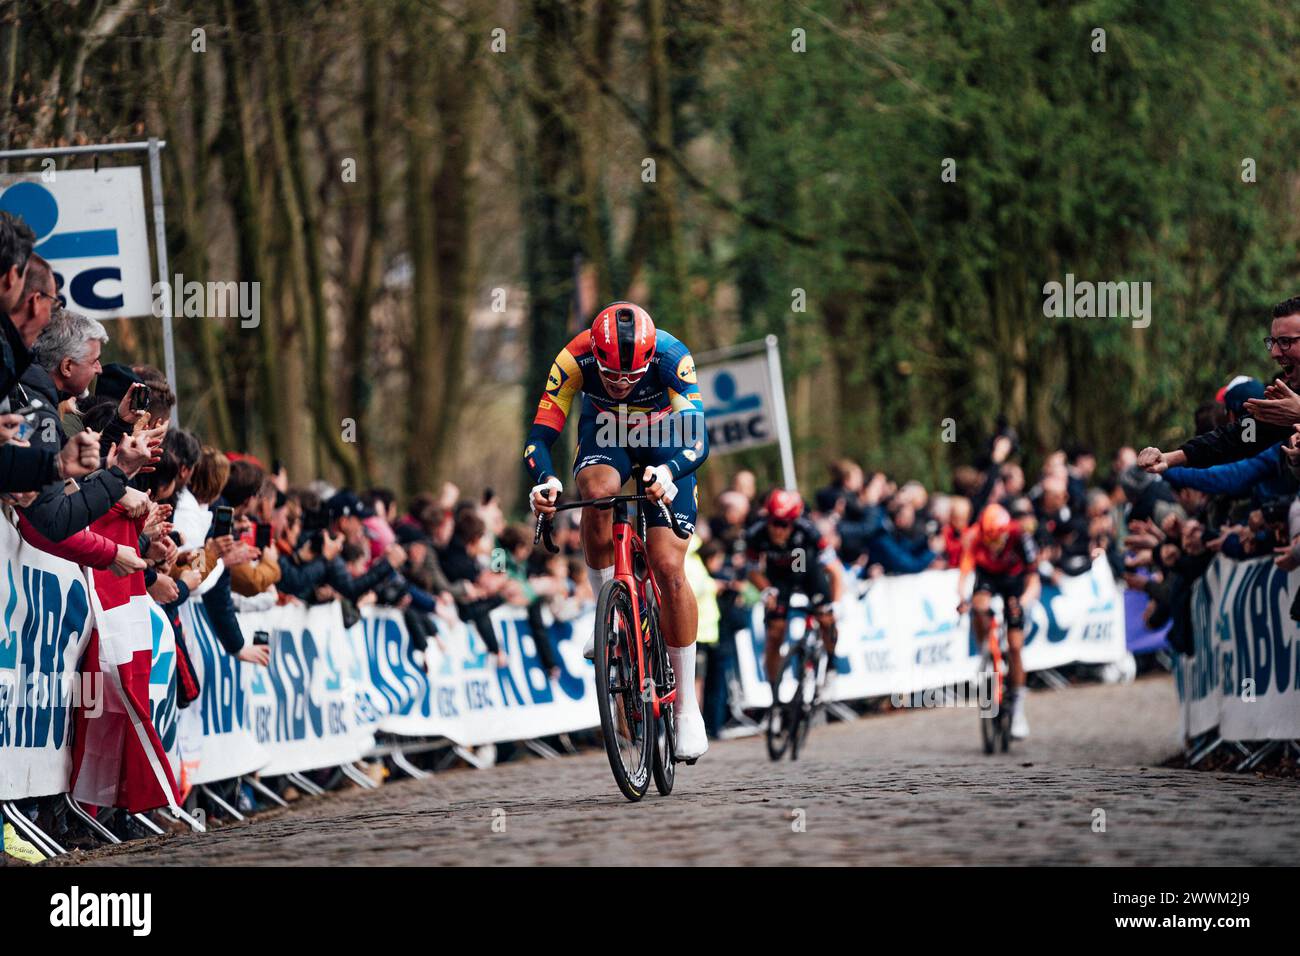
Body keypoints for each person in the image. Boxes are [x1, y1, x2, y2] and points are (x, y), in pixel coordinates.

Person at [525, 301, 711, 761]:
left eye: (632, 377)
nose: (621, 384)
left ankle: (688, 708)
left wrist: (668, 473)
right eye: (611, 377)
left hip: (667, 441)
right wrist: (545, 479)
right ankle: (607, 609)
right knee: (597, 492)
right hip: (606, 435)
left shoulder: (672, 357)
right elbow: (539, 436)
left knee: (668, 566)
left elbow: (699, 438)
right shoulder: (575, 357)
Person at [745, 488, 843, 711]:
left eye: (785, 524)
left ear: (794, 522)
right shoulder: (756, 534)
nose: (779, 530)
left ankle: (831, 666)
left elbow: (834, 570)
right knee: (775, 633)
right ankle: (775, 698)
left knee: (827, 619)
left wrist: (837, 603)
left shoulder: (808, 531)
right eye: (775, 523)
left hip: (809, 575)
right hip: (779, 582)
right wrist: (765, 589)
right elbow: (751, 571)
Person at [957, 503, 1040, 739]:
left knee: (1015, 646)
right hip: (987, 577)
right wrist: (962, 598)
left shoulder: (1020, 535)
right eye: (989, 540)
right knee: (979, 604)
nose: (994, 545)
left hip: (1014, 581)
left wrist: (1022, 603)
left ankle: (1018, 709)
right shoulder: (973, 536)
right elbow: (964, 573)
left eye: (998, 539)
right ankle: (985, 648)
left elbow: (1034, 581)